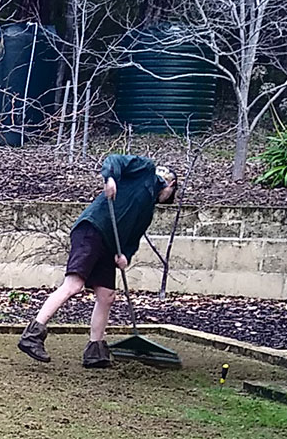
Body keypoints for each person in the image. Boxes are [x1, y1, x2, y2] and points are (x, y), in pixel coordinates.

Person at [17, 156, 178, 368]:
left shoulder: (147, 210)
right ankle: (33, 334)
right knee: (73, 285)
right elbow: (115, 160)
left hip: (109, 245)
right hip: (91, 230)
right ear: (171, 185)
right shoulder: (145, 170)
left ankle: (95, 351)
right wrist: (110, 178)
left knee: (107, 296)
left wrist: (125, 256)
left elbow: (132, 238)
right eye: (169, 196)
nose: (164, 200)